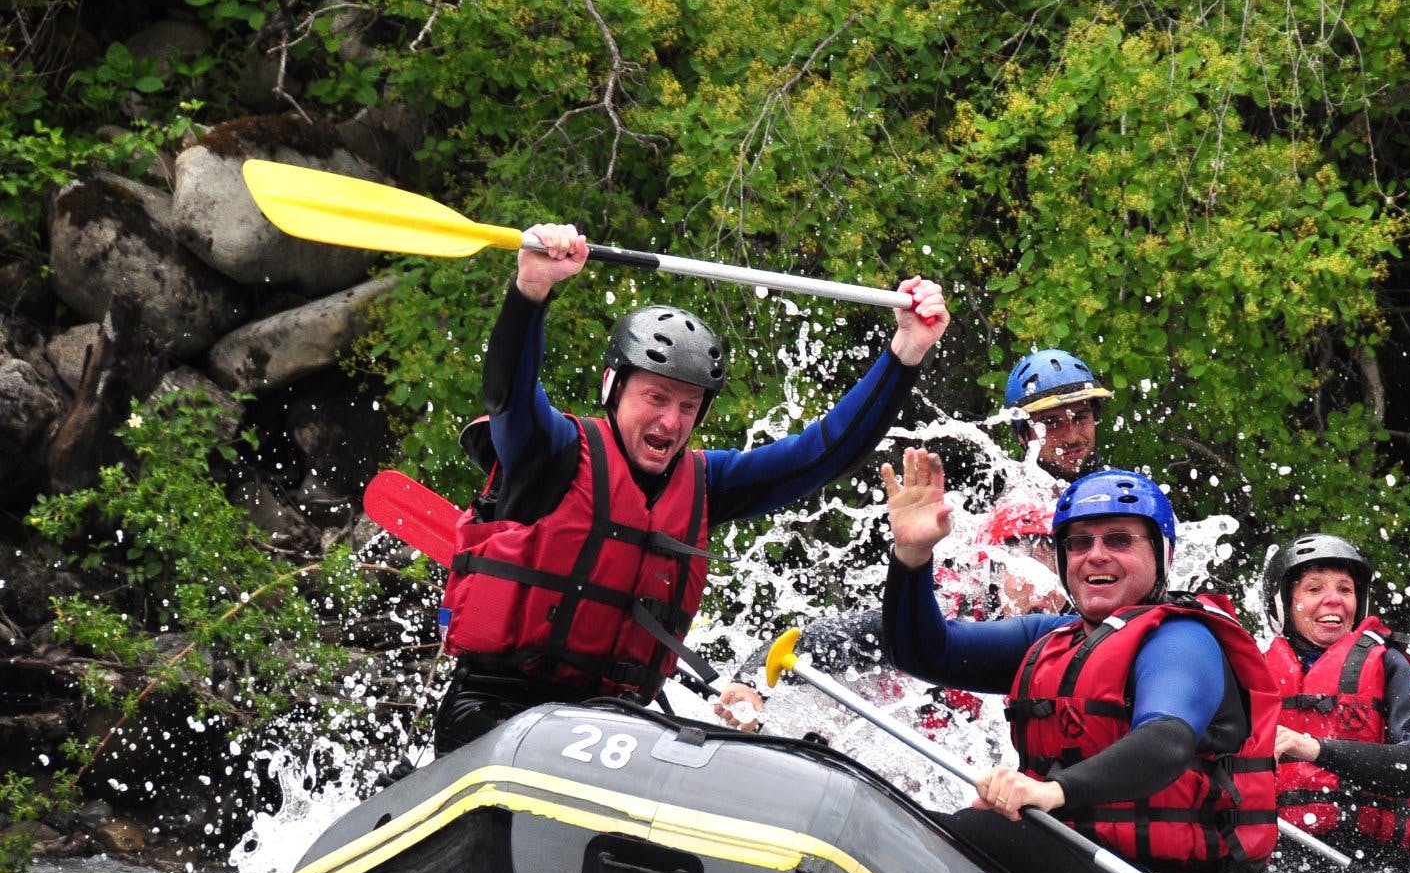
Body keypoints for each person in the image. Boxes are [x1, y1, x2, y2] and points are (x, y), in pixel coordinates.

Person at [431, 222, 949, 753]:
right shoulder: (550, 452)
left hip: (615, 728)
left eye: (687, 406)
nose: (670, 421)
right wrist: (532, 290)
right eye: (656, 398)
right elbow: (508, 394)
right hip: (496, 709)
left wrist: (905, 352)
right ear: (613, 387)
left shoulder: (706, 483)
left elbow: (821, 453)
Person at [880, 451, 1278, 873]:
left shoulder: (1183, 639)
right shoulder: (1049, 639)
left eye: (1119, 540)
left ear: (1162, 555)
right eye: (1079, 542)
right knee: (918, 822)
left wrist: (1051, 791)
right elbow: (920, 651)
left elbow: (1167, 741)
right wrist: (912, 557)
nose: (1096, 555)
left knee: (981, 833)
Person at [712, 490, 1062, 732]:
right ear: (990, 571)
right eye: (1028, 567)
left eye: (1055, 568)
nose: (1046, 587)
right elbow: (819, 640)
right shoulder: (939, 616)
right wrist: (751, 684)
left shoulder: (1075, 637)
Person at [1259, 533, 1410, 873]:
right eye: (1314, 588)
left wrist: (1314, 749)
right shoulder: (1253, 672)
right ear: (1284, 604)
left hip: (1378, 870)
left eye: (1345, 589)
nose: (1334, 600)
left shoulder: (1392, 664)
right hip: (1280, 865)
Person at [1002, 348, 1112, 481]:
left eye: (1080, 418)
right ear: (1022, 436)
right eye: (1051, 423)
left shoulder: (1124, 488)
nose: (1071, 438)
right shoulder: (1001, 491)